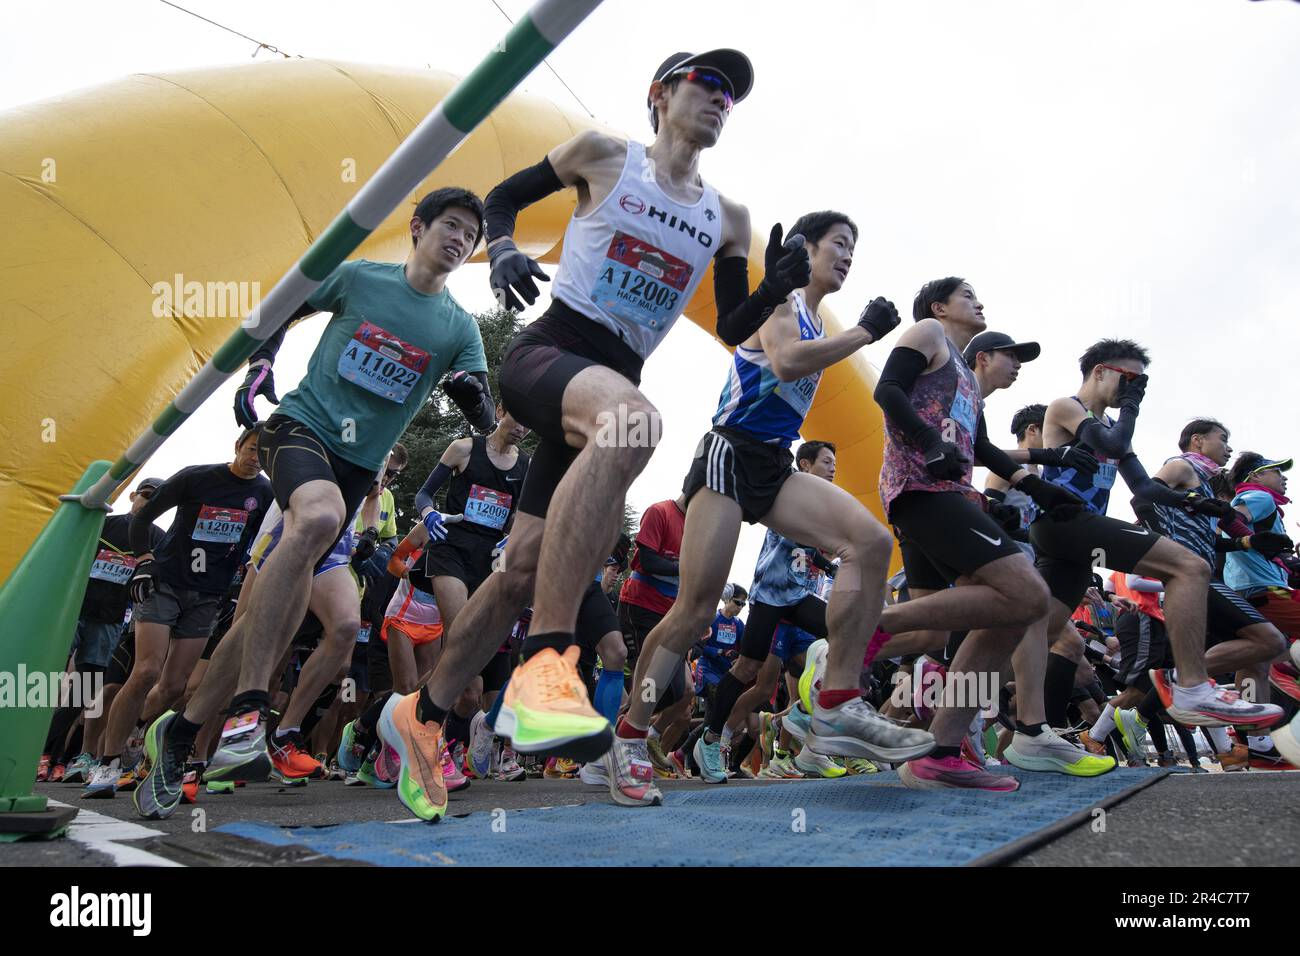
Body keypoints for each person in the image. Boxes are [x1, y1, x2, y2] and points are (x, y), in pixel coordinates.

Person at [380, 50, 821, 822]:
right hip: (552, 352)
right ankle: (545, 668)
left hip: (611, 382)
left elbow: (732, 324)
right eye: (706, 84)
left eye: (731, 95)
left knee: (519, 565)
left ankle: (421, 714)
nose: (720, 100)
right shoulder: (602, 154)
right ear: (660, 94)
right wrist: (507, 247)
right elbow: (502, 198)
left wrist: (777, 286)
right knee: (635, 424)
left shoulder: (731, 218)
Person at [135, 187, 494, 815]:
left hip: (358, 465)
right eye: (452, 225)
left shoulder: (460, 328)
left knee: (262, 618)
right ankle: (251, 709)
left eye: (472, 234)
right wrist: (261, 365)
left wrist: (477, 398)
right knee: (321, 515)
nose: (461, 239)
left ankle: (183, 730)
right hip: (300, 430)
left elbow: (485, 409)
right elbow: (285, 303)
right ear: (417, 228)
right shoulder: (359, 279)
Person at [608, 209, 932, 806]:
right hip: (730, 452)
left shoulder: (812, 315)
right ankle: (630, 734)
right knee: (695, 611)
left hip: (774, 464)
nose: (848, 257)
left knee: (871, 542)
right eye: (839, 244)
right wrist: (864, 333)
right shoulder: (783, 304)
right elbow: (783, 363)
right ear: (805, 248)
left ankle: (836, 702)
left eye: (854, 250)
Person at [869, 278, 1088, 792]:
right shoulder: (927, 332)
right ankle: (862, 632)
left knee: (1009, 610)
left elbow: (984, 449)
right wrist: (925, 441)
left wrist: (1040, 486)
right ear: (940, 307)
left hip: (950, 494)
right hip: (920, 488)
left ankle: (940, 753)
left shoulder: (966, 380)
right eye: (969, 296)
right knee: (1030, 594)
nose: (980, 303)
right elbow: (886, 389)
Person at [1030, 339, 1280, 730]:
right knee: (1189, 568)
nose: (1134, 389)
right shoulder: (1067, 407)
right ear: (1100, 371)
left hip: (1078, 541)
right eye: (1129, 379)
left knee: (1037, 633)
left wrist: (1197, 503)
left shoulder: (1113, 426)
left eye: (1141, 383)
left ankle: (998, 723)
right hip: (1065, 523)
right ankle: (1192, 687)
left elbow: (1145, 489)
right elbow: (1110, 444)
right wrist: (1133, 405)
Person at [85, 429, 273, 801]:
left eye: (263, 455)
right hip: (165, 582)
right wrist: (143, 561)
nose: (255, 459)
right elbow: (142, 518)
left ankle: (138, 737)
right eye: (251, 450)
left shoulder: (265, 494)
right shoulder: (196, 476)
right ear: (237, 446)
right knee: (146, 671)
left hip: (208, 595)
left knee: (176, 686)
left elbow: (261, 543)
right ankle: (105, 763)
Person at [52, 478, 165, 785]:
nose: (149, 501)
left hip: (110, 621)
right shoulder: (104, 524)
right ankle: (36, 751)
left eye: (157, 498)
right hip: (72, 611)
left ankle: (61, 757)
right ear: (132, 495)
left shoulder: (159, 539)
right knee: (42, 679)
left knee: (86, 692)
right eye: (146, 495)